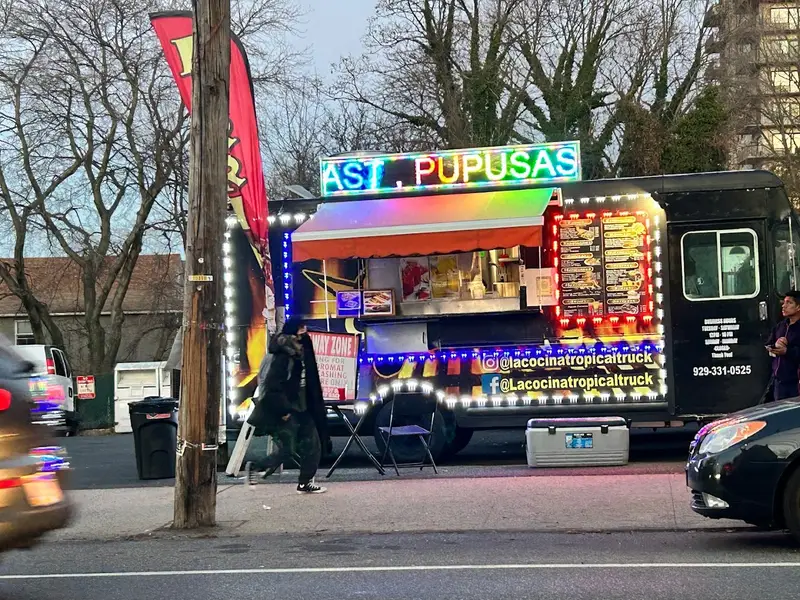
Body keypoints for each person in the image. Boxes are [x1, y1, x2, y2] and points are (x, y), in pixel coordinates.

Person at [245, 318, 326, 494]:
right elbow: (274, 386)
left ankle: (305, 482)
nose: (305, 333)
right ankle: (256, 467)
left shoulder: (299, 353)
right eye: (302, 328)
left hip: (302, 406)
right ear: (296, 331)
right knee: (288, 449)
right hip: (289, 409)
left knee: (313, 445)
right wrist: (284, 410)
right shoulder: (283, 357)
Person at [766, 291, 800, 401]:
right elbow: (768, 346)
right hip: (779, 382)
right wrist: (775, 346)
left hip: (796, 382)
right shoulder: (780, 326)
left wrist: (786, 351)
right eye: (783, 302)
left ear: (798, 307)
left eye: (789, 303)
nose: (783, 306)